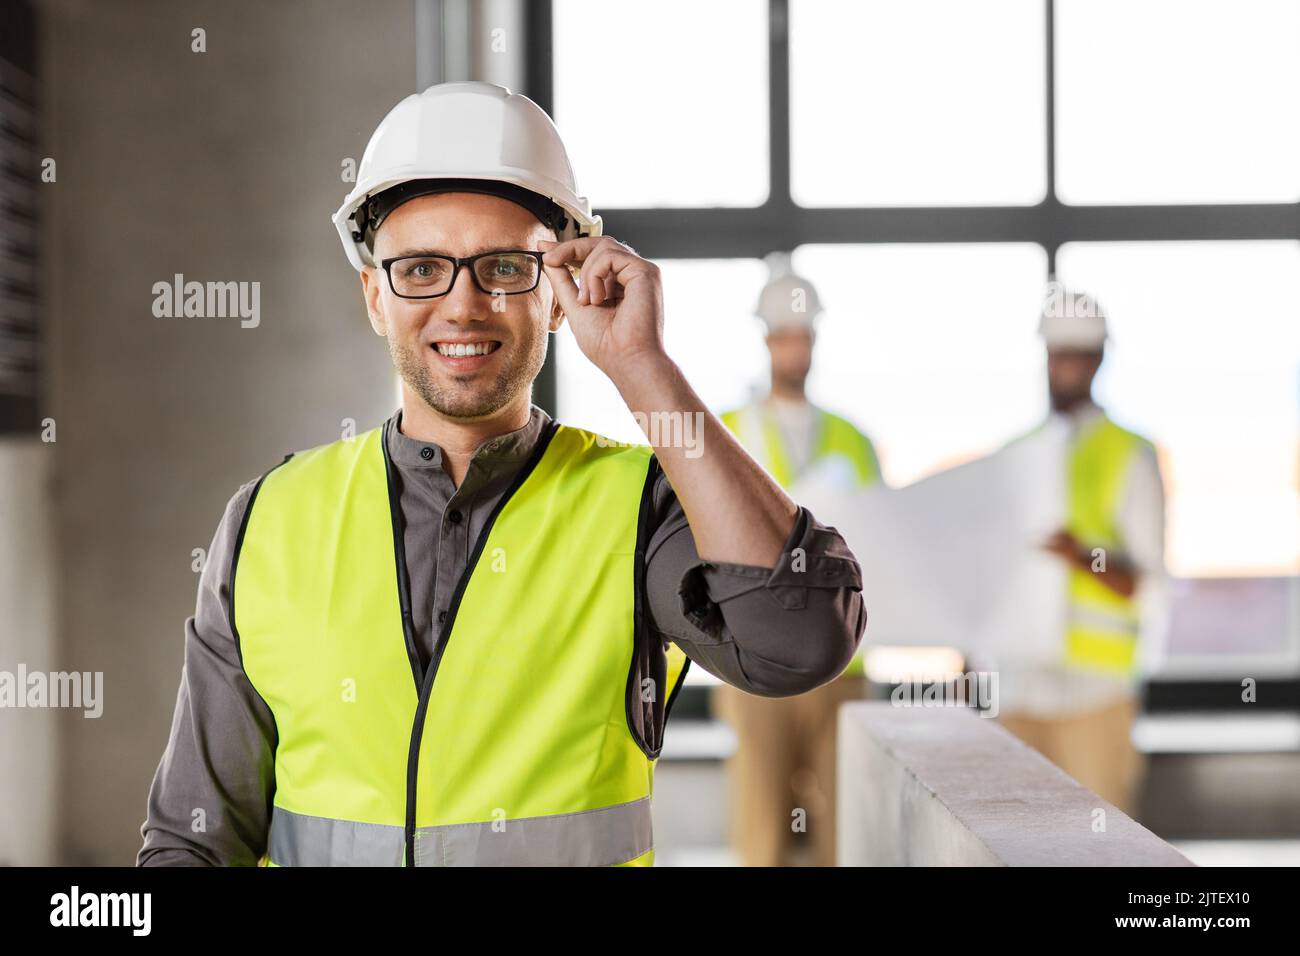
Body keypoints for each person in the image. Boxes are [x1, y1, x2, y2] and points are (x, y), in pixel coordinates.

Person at [135, 81, 866, 867]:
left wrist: (641, 365)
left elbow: (799, 643)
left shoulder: (640, 511)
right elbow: (193, 840)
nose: (464, 305)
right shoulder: (268, 519)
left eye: (505, 267)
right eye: (420, 270)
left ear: (556, 298)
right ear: (374, 296)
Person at [712, 256, 882, 866]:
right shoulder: (727, 432)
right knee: (763, 824)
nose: (795, 348)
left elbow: (880, 547)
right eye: (784, 336)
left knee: (844, 819)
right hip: (755, 659)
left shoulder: (852, 439)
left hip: (839, 656)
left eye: (803, 336)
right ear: (766, 340)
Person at [997, 286, 1168, 818]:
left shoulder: (1129, 455)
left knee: (1101, 851)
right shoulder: (1016, 454)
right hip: (1018, 687)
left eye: (1075, 356)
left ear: (1097, 361)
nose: (1064, 369)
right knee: (1012, 844)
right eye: (1056, 356)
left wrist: (1080, 556)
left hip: (1096, 694)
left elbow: (1146, 582)